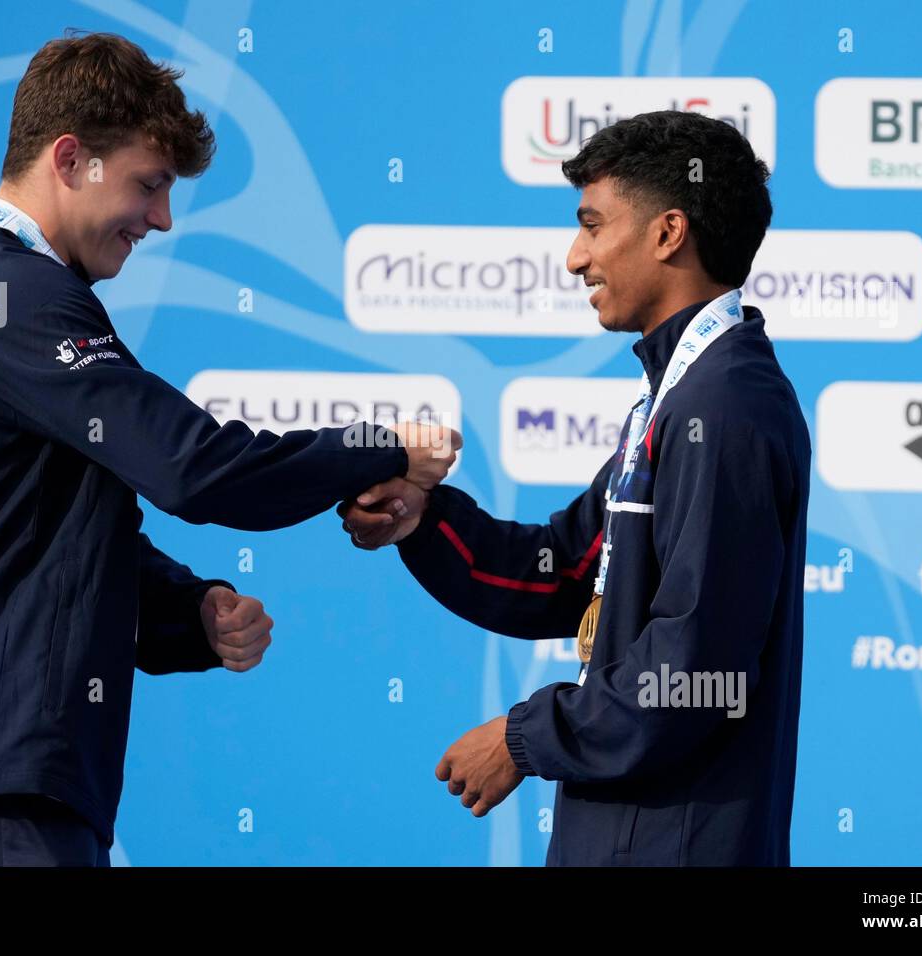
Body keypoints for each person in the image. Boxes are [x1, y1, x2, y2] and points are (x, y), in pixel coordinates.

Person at [0, 31, 459, 867]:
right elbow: (194, 468)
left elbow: (41, 534)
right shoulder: (11, 295)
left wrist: (192, 615)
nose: (162, 217)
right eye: (149, 185)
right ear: (70, 159)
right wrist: (379, 447)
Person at [340, 110, 810, 866]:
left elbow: (697, 670)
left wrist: (525, 739)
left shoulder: (726, 405)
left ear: (667, 233)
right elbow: (561, 572)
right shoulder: (677, 396)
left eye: (593, 225)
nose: (573, 257)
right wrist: (420, 520)